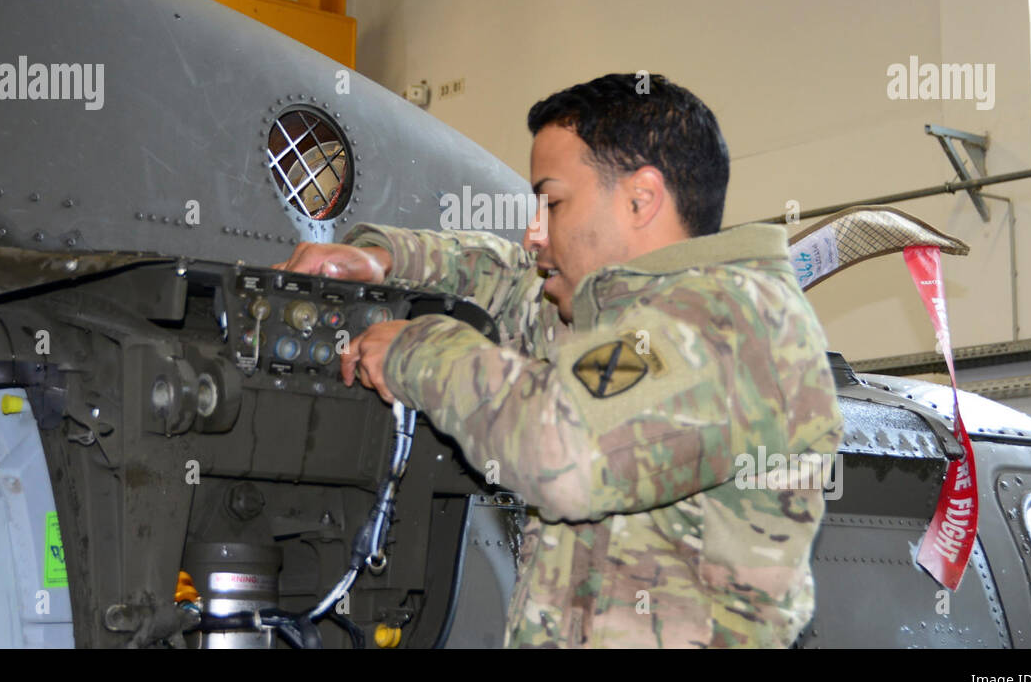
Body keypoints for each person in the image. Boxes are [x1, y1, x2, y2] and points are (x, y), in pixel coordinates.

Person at [277, 72, 843, 647]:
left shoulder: (730, 322)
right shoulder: (622, 316)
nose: (535, 233)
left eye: (553, 201)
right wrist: (384, 259)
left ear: (640, 199)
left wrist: (414, 349)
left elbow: (564, 451)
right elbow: (503, 282)